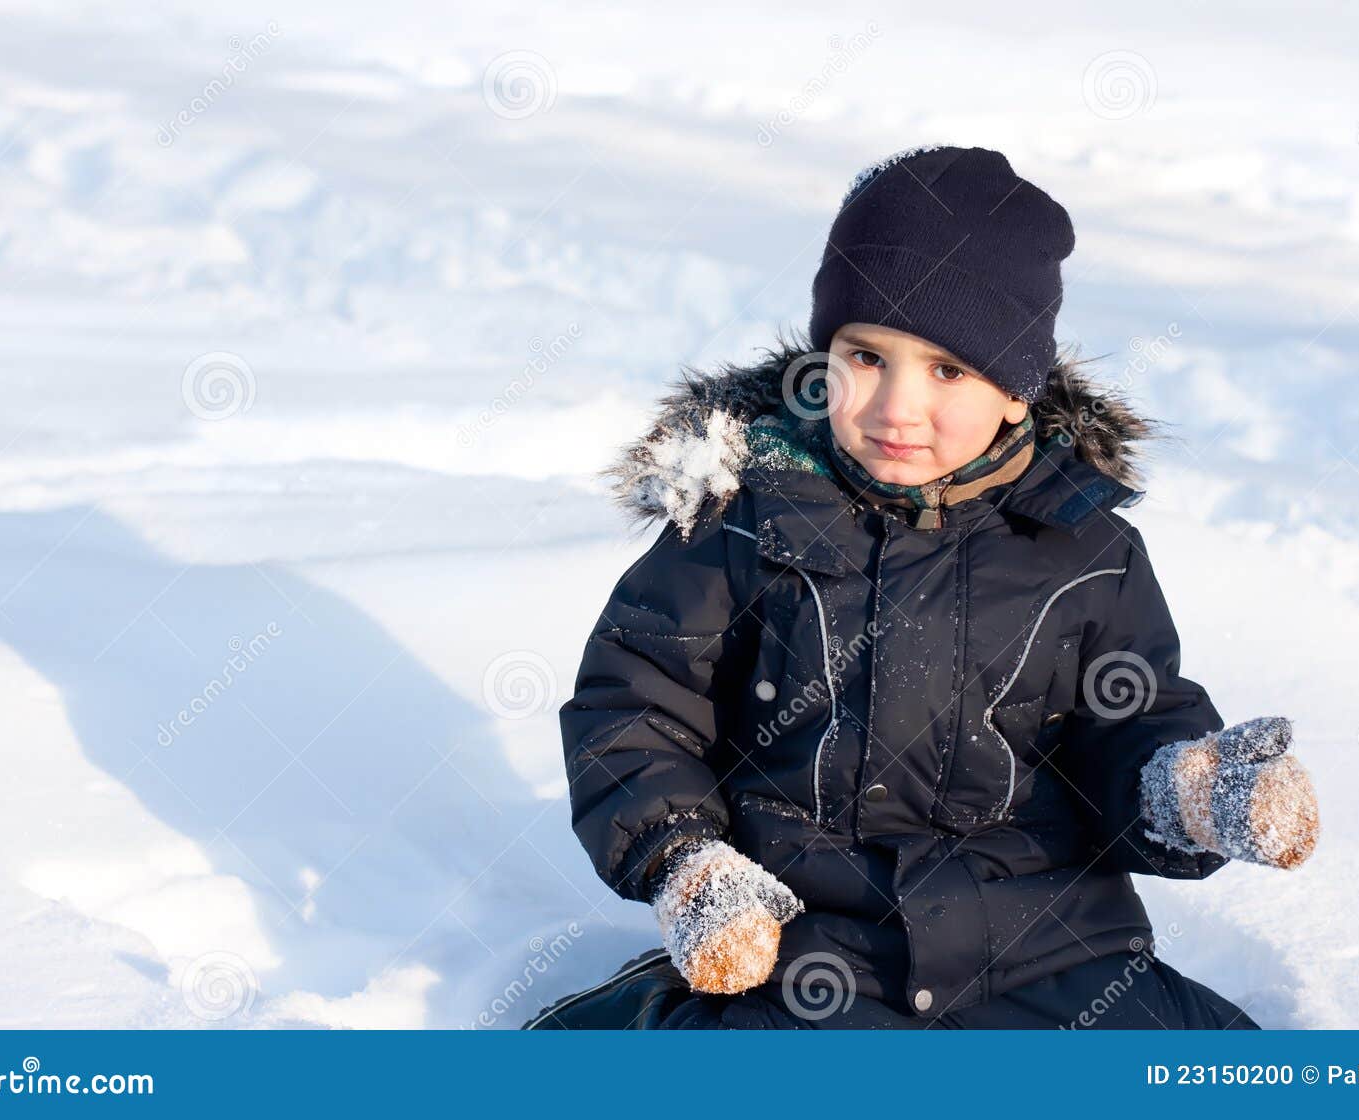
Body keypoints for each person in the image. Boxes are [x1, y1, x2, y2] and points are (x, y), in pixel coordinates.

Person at [537, 146, 1319, 1030]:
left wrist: (1188, 791)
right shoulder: (748, 523)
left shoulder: (1085, 551)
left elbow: (1129, 724)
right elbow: (633, 707)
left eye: (948, 369)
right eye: (866, 356)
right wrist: (689, 864)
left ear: (1019, 393)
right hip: (807, 955)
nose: (895, 406)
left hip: (1050, 951)